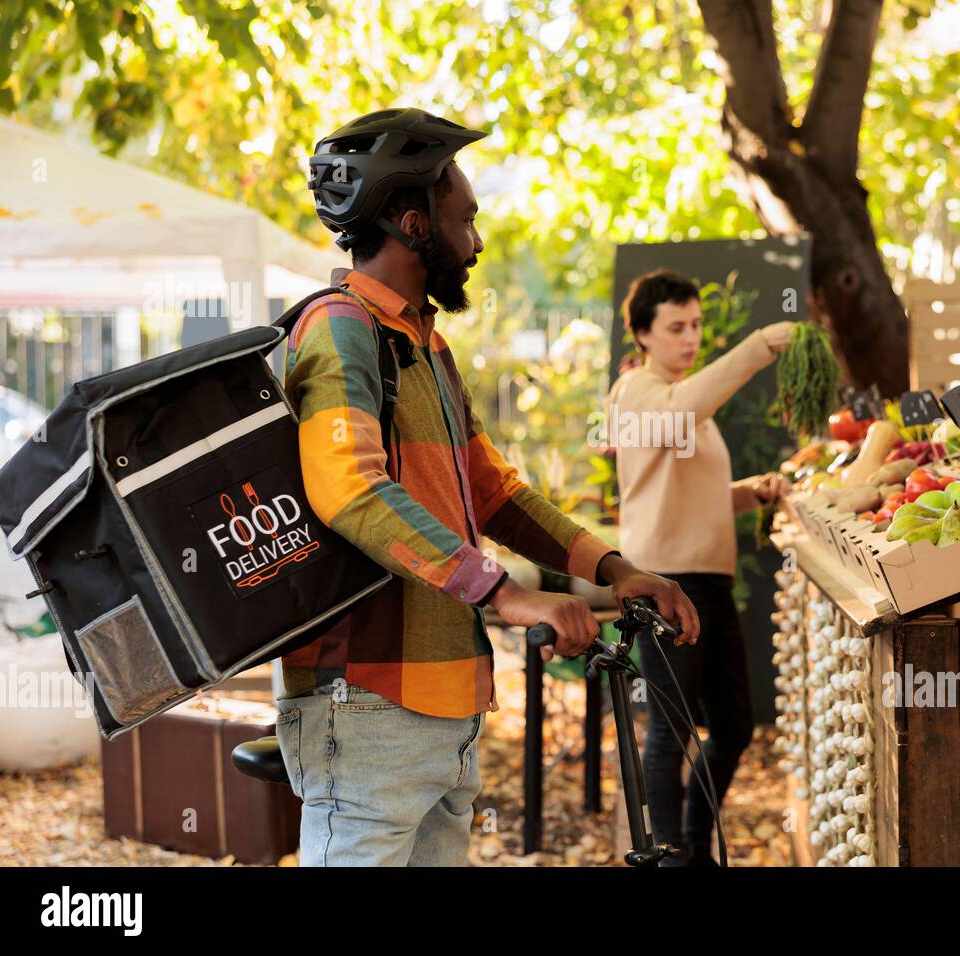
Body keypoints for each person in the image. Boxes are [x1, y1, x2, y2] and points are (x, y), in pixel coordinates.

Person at [278, 108, 699, 866]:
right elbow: (349, 489)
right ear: (413, 224)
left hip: (447, 712)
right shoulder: (339, 327)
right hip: (369, 705)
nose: (476, 241)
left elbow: (495, 491)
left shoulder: (423, 345)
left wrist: (615, 568)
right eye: (465, 219)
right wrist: (507, 593)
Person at [606, 269, 795, 866]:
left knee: (734, 726)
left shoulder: (683, 400)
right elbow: (678, 412)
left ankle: (692, 844)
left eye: (696, 326)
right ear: (642, 334)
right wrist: (760, 346)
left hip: (710, 586)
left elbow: (690, 488)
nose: (691, 338)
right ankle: (670, 858)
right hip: (665, 584)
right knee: (670, 734)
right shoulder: (638, 393)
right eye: (676, 327)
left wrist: (749, 493)